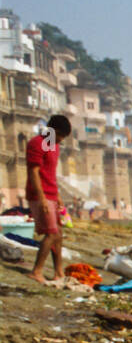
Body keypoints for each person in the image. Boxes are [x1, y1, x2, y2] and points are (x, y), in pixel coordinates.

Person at [26, 115, 72, 284]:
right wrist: (42, 198)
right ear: (54, 131)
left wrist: (57, 195)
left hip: (51, 194)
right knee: (51, 234)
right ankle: (36, 271)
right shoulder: (36, 144)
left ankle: (58, 272)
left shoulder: (55, 146)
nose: (61, 140)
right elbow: (34, 172)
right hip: (39, 195)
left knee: (58, 234)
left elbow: (50, 173)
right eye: (60, 136)